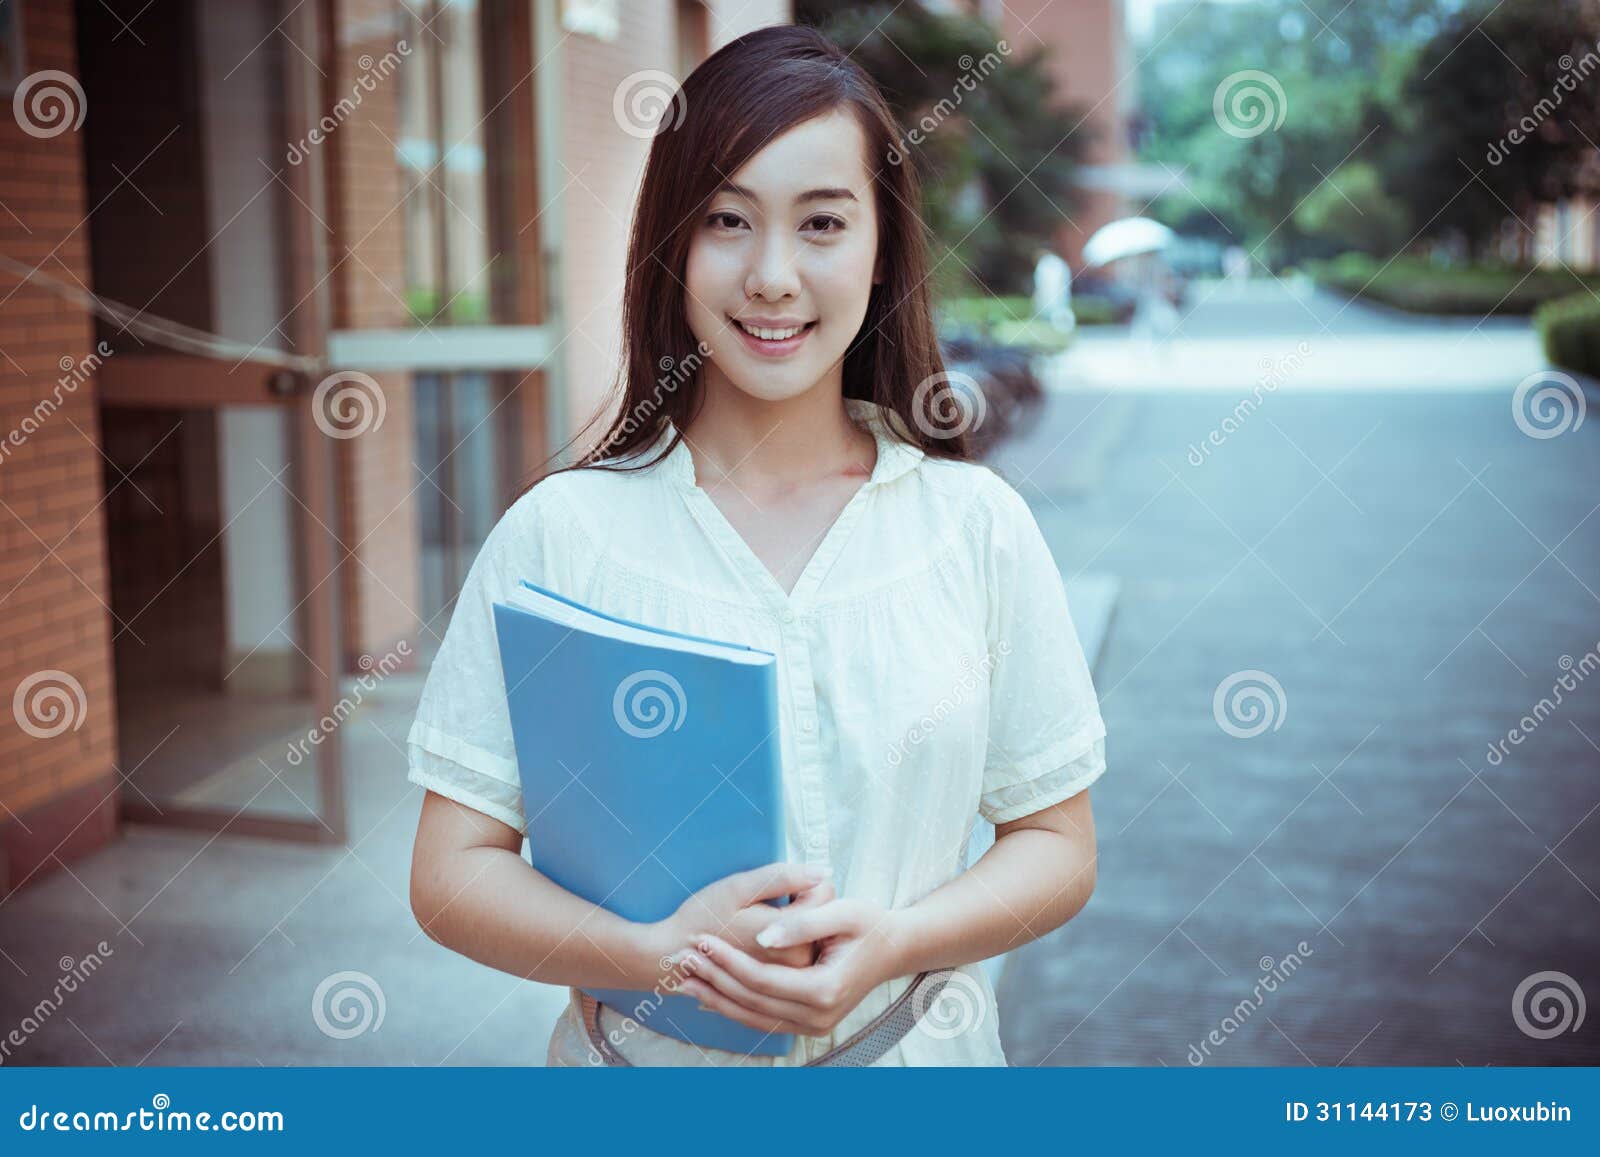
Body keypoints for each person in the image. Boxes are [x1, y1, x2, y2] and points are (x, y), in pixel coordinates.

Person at [406, 24, 1107, 1068]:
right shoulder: (560, 536)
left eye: (822, 222)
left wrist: (896, 941)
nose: (773, 275)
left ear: (882, 248)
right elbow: (451, 871)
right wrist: (653, 956)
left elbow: (1055, 842)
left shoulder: (975, 527)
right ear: (674, 246)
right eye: (728, 220)